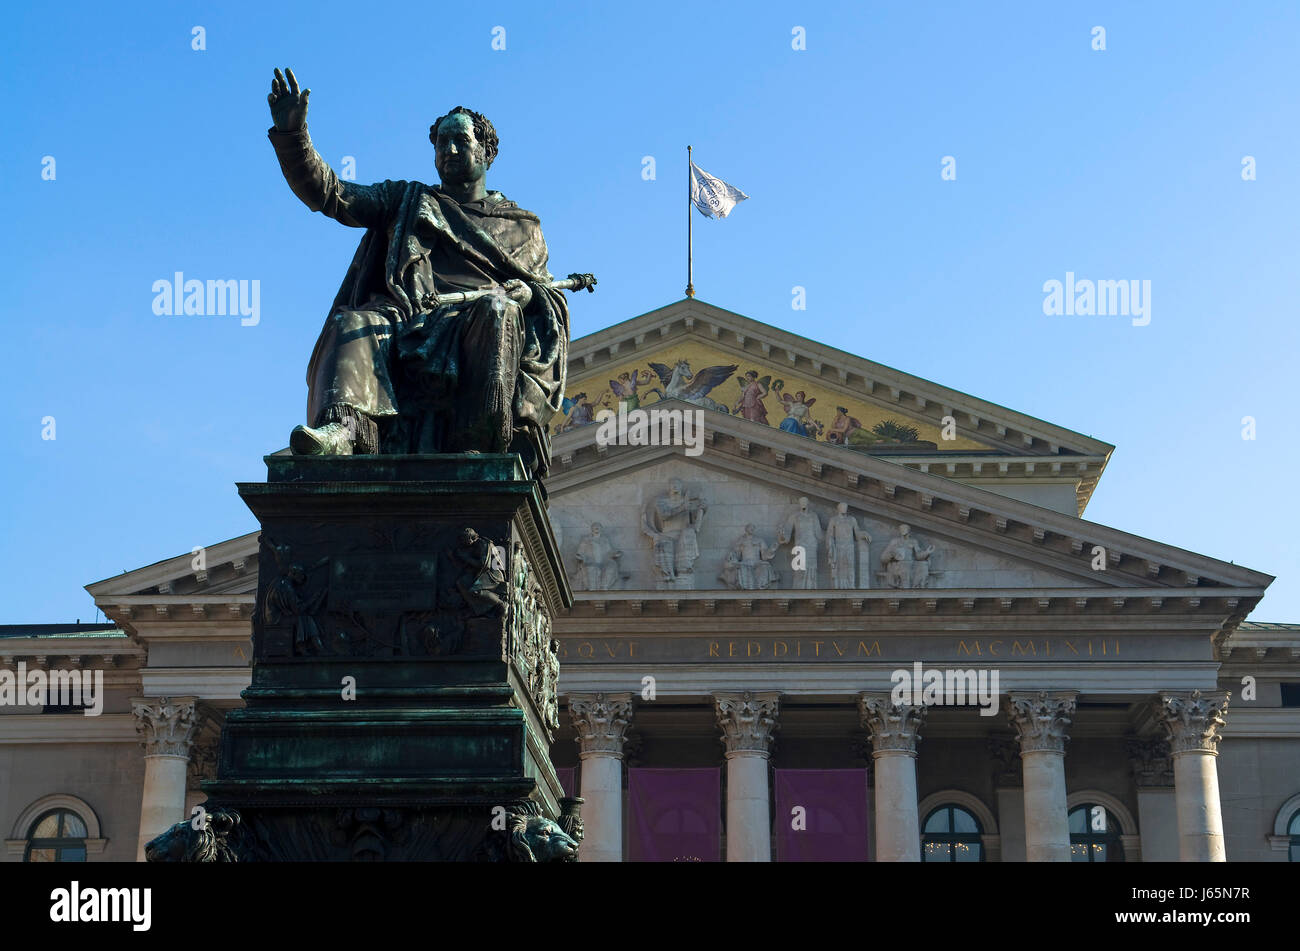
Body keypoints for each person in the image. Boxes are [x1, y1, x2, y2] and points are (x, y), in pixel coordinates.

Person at [265, 68, 569, 477]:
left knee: (500, 312)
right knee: (352, 321)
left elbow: (547, 297)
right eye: (442, 143)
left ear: (487, 153)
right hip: (409, 317)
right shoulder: (407, 199)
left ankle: (479, 444)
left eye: (461, 141)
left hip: (477, 323)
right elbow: (332, 194)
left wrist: (528, 296)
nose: (450, 150)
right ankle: (344, 429)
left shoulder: (522, 226)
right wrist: (294, 138)